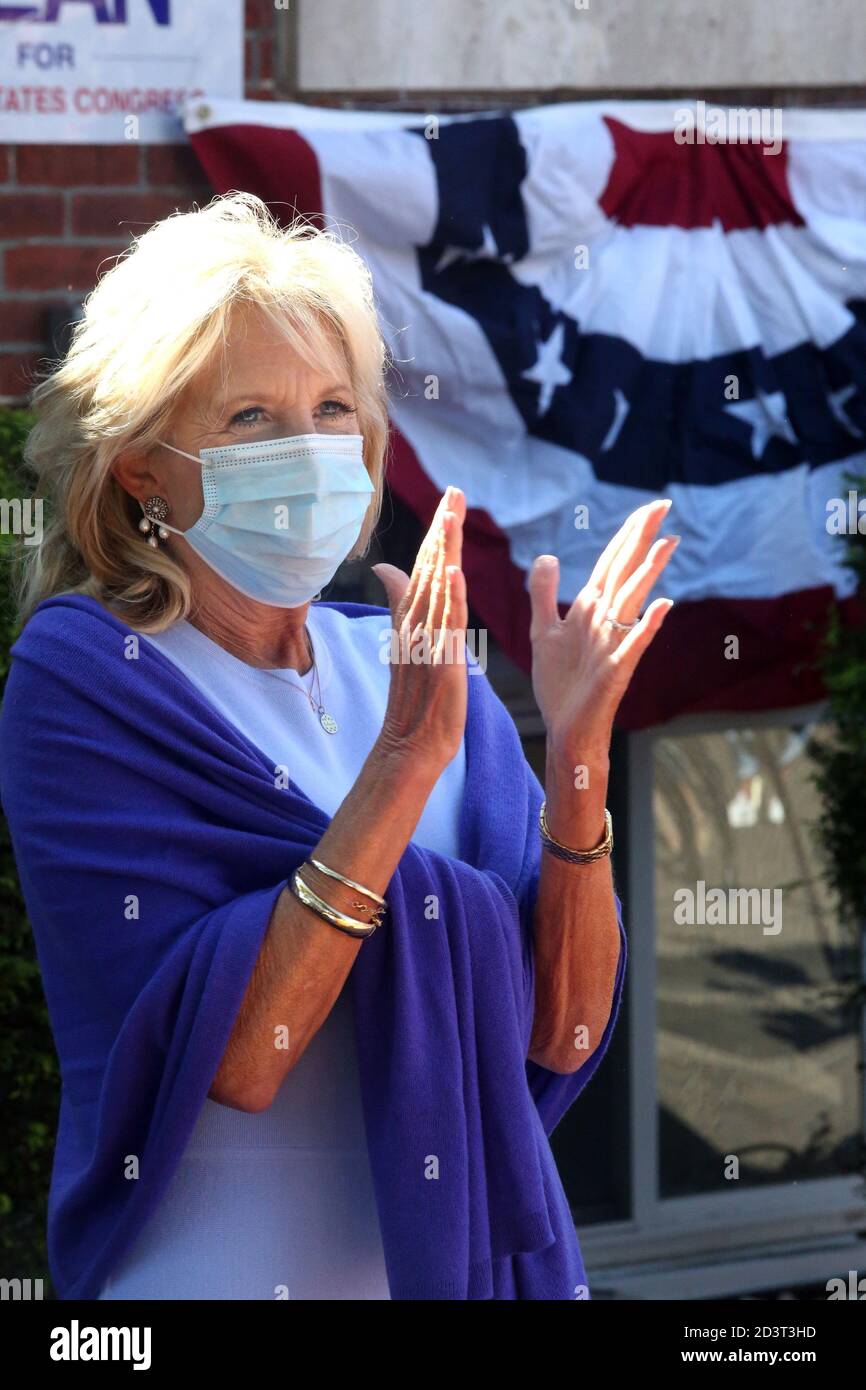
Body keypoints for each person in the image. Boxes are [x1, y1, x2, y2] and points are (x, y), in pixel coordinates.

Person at [0, 192, 676, 1300]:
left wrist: (575, 760)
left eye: (329, 409)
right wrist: (403, 766)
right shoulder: (88, 678)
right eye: (250, 418)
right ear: (138, 467)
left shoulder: (406, 664)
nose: (308, 450)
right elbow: (242, 1055)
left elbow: (563, 1029)